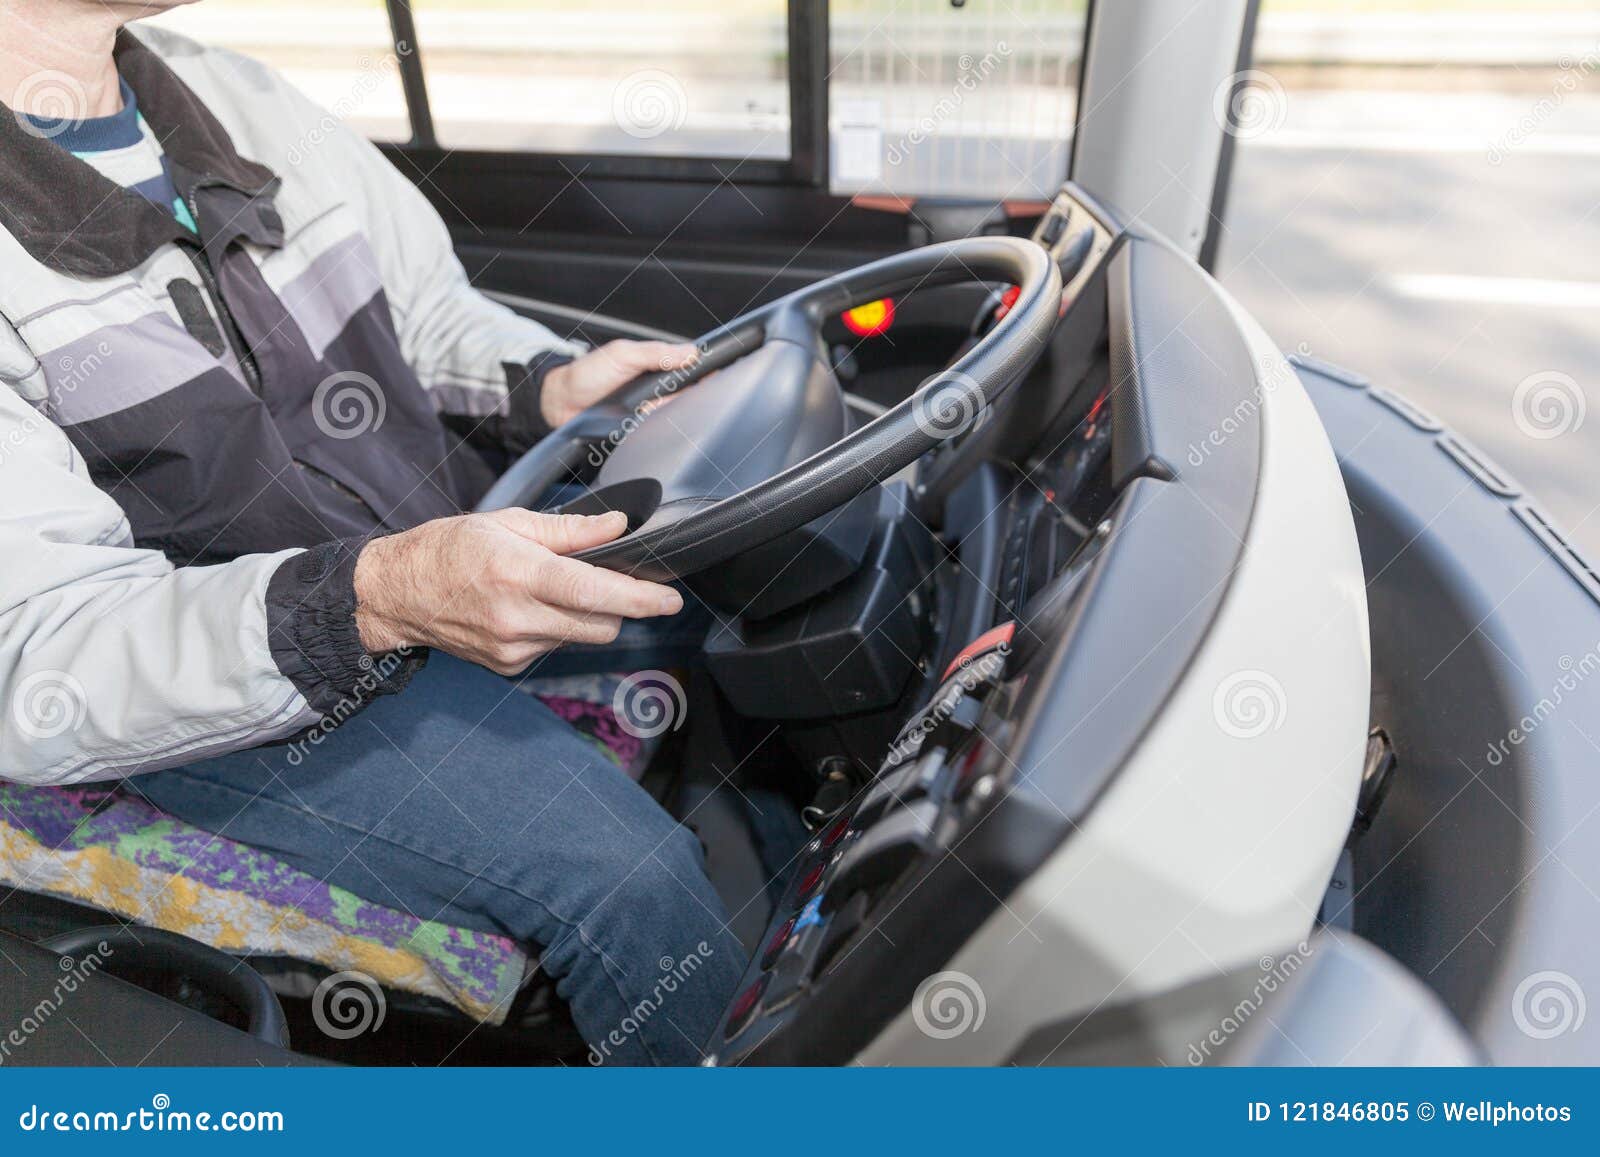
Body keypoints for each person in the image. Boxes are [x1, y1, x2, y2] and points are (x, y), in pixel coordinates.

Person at [0, 0, 746, 1065]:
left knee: (732, 608)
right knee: (631, 883)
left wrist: (547, 380)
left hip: (414, 561)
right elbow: (39, 649)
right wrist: (371, 598)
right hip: (235, 684)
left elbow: (428, 310)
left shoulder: (231, 94)